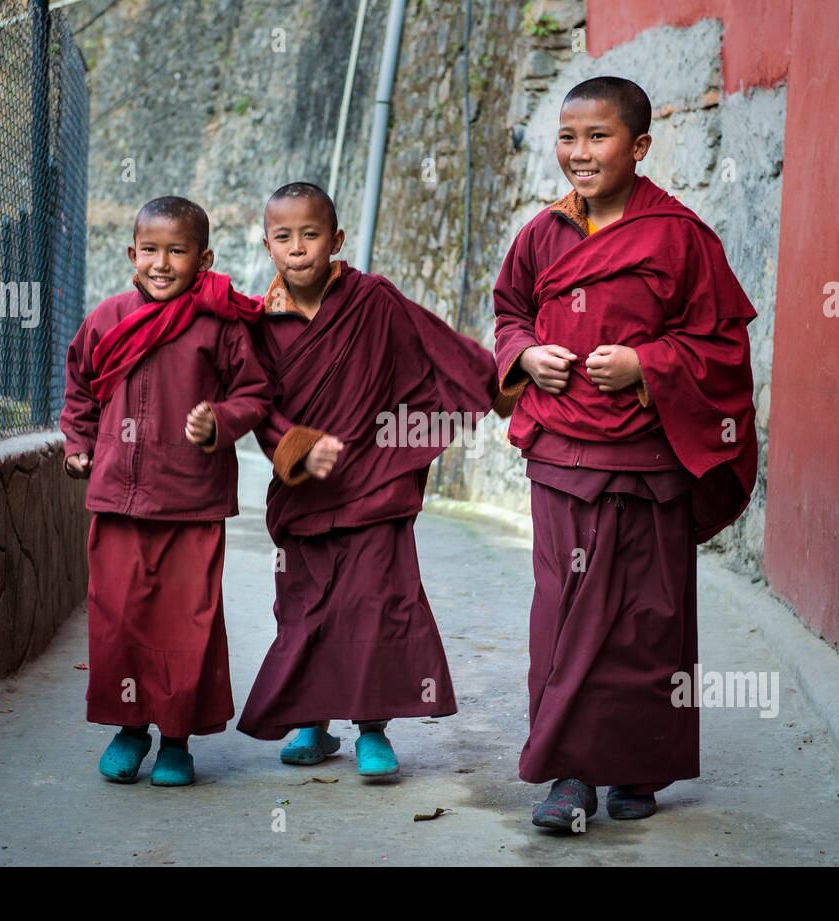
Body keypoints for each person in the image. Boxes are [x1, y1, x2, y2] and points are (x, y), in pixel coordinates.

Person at [493, 77, 758, 829]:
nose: (579, 153)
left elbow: (722, 343)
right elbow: (509, 309)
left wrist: (651, 366)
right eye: (567, 137)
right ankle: (570, 774)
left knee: (648, 617)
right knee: (565, 611)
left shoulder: (680, 237)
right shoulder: (542, 233)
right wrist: (525, 354)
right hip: (562, 457)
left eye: (598, 137)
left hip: (649, 462)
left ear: (639, 147)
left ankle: (636, 767)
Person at [236, 182, 503, 776]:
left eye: (311, 235)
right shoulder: (257, 322)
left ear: (336, 240)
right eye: (284, 237)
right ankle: (313, 720)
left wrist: (499, 378)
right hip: (304, 491)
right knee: (305, 608)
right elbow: (254, 401)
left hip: (375, 482)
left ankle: (373, 729)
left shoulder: (373, 299)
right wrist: (297, 448)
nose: (298, 249)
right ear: (266, 245)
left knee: (377, 606)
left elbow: (437, 349)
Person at [60, 195, 270, 787]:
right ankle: (131, 729)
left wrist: (221, 421)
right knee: (118, 619)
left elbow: (255, 393)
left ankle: (176, 740)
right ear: (132, 254)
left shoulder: (219, 326)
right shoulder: (107, 318)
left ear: (203, 260)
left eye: (176, 251)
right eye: (150, 249)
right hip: (118, 501)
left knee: (186, 625)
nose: (161, 263)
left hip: (190, 501)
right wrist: (78, 441)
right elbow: (79, 384)